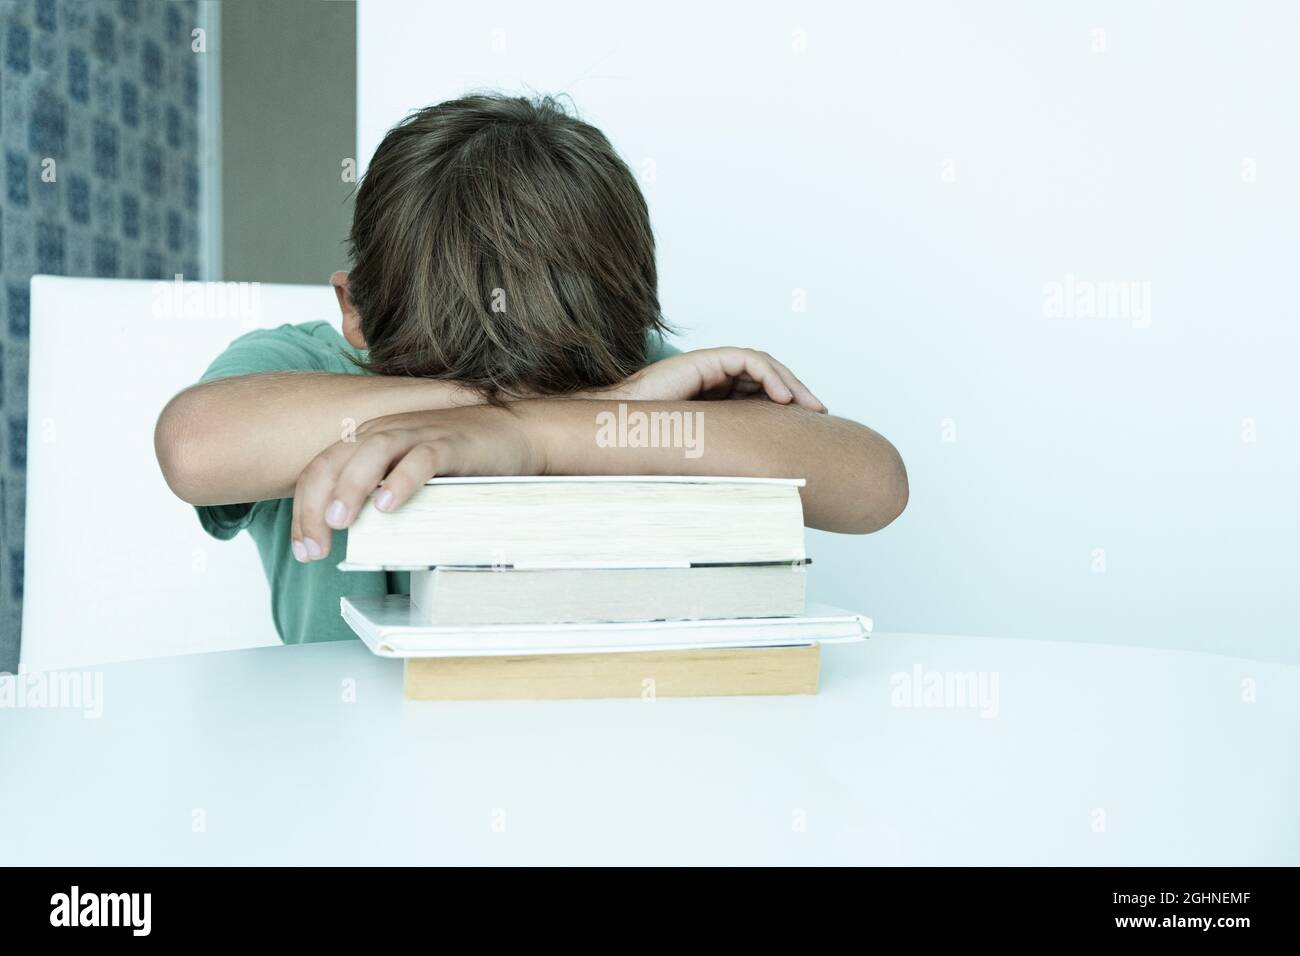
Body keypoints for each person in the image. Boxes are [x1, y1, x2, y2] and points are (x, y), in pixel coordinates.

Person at [154, 93, 908, 644]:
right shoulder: (313, 372)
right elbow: (194, 445)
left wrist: (537, 432)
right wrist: (536, 412)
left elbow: (874, 485)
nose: (533, 399)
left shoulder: (624, 377)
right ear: (353, 314)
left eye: (558, 391)